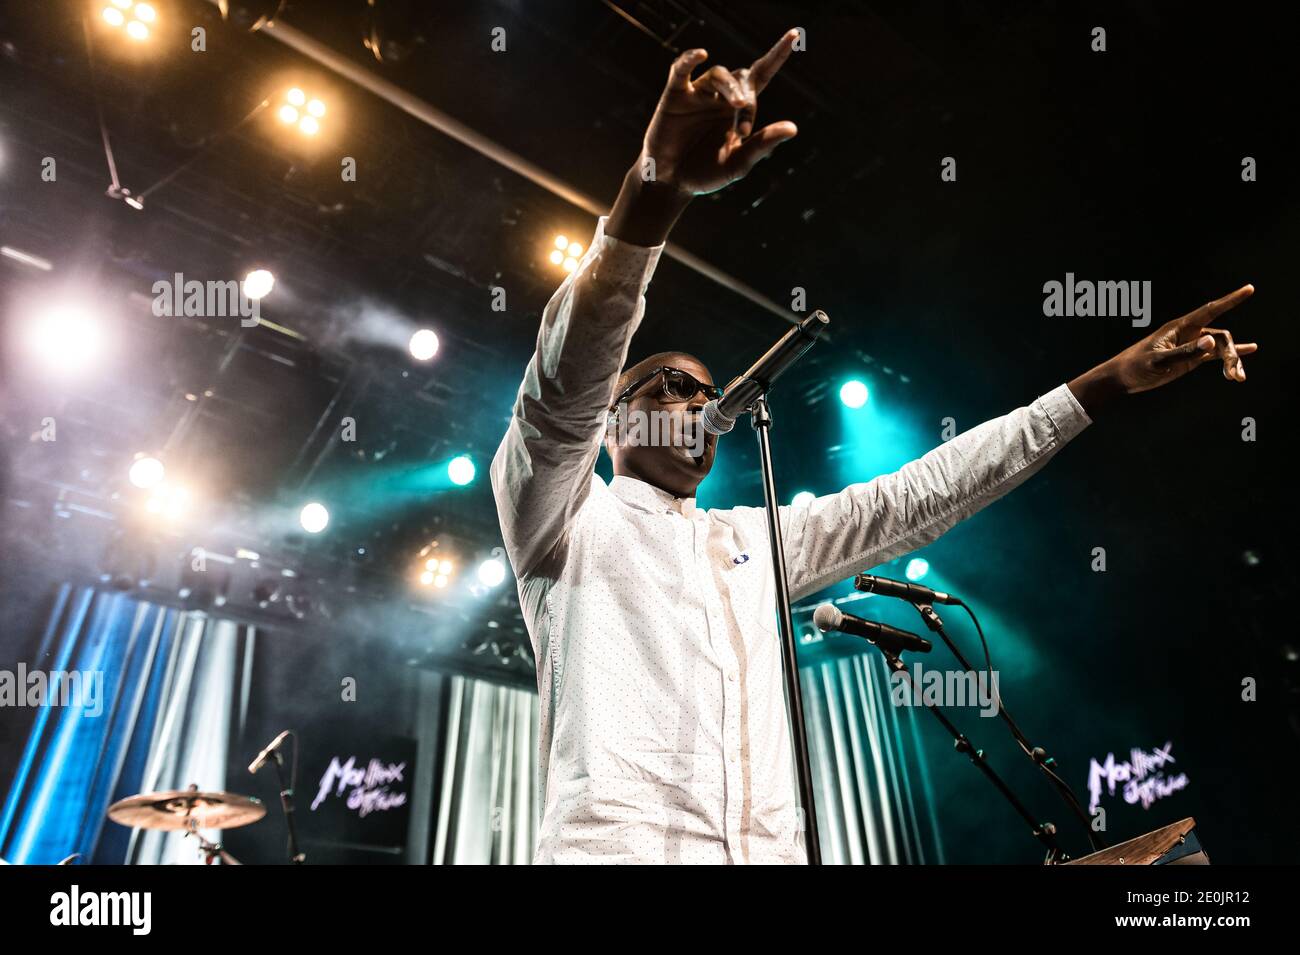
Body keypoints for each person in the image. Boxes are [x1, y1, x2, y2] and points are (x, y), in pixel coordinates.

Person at [490, 29, 1257, 864]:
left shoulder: (749, 542)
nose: (697, 401)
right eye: (668, 386)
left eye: (707, 392)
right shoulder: (564, 520)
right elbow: (561, 392)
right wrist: (655, 195)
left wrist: (1103, 383)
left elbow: (921, 494)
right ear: (614, 424)